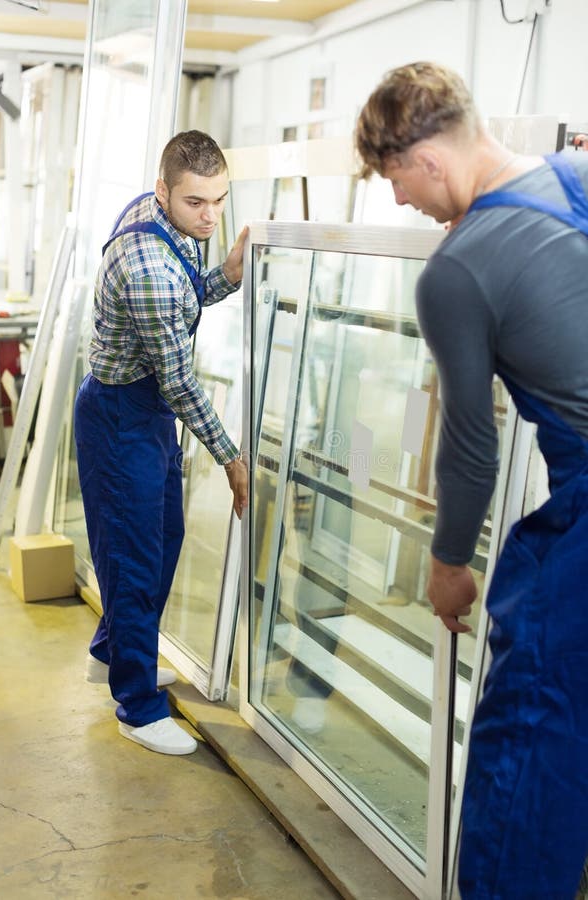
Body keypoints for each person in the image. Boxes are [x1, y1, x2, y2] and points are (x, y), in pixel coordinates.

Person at [356, 62, 588, 899]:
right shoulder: (576, 174)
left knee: (527, 737)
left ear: (429, 159)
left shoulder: (454, 271)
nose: (398, 200)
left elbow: (469, 444)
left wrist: (449, 562)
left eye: (395, 178)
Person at [74, 130, 248, 757]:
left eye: (219, 200)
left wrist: (226, 276)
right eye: (196, 202)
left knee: (163, 538)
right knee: (134, 558)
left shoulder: (163, 221)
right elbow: (177, 380)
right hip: (121, 415)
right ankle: (137, 706)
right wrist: (231, 457)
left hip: (143, 412)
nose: (210, 217)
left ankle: (114, 653)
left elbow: (184, 297)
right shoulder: (147, 264)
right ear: (163, 191)